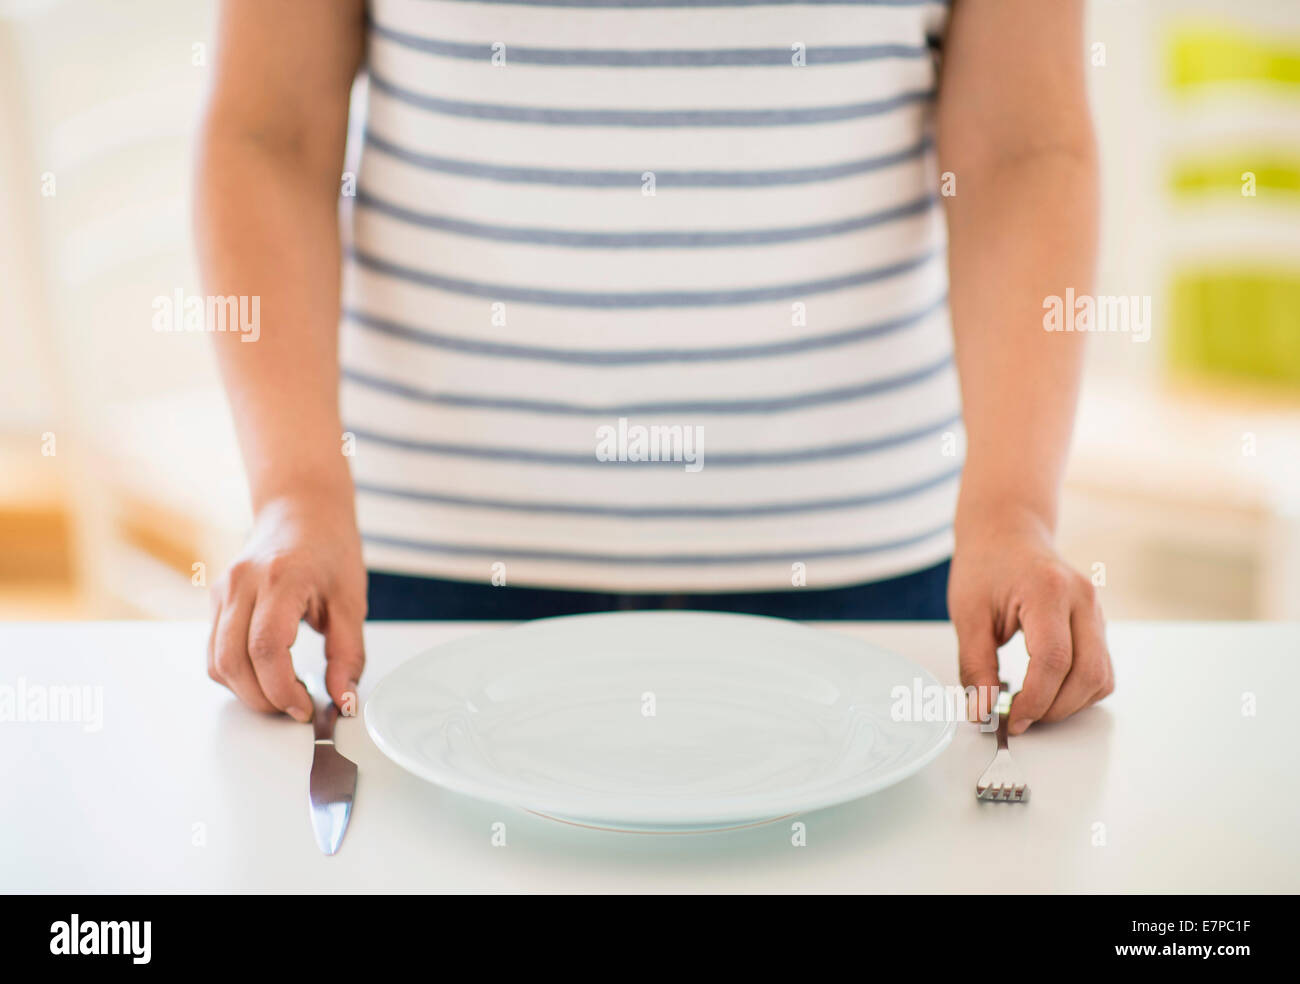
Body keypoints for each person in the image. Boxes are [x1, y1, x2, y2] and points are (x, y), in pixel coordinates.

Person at [196, 0, 1113, 733]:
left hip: (867, 572)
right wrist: (296, 492)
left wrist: (1015, 508)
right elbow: (271, 131)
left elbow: (1019, 147)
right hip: (424, 575)